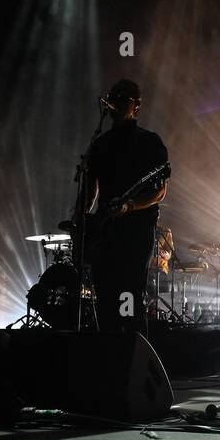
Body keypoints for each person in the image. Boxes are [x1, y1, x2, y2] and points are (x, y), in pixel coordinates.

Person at [79, 79, 170, 334]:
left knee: (131, 294)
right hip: (105, 231)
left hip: (136, 231)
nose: (116, 101)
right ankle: (108, 357)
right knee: (105, 296)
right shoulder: (99, 144)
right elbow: (89, 191)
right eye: (113, 96)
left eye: (123, 97)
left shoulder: (150, 142)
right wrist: (81, 222)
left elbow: (160, 191)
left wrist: (131, 206)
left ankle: (135, 358)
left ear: (136, 106)